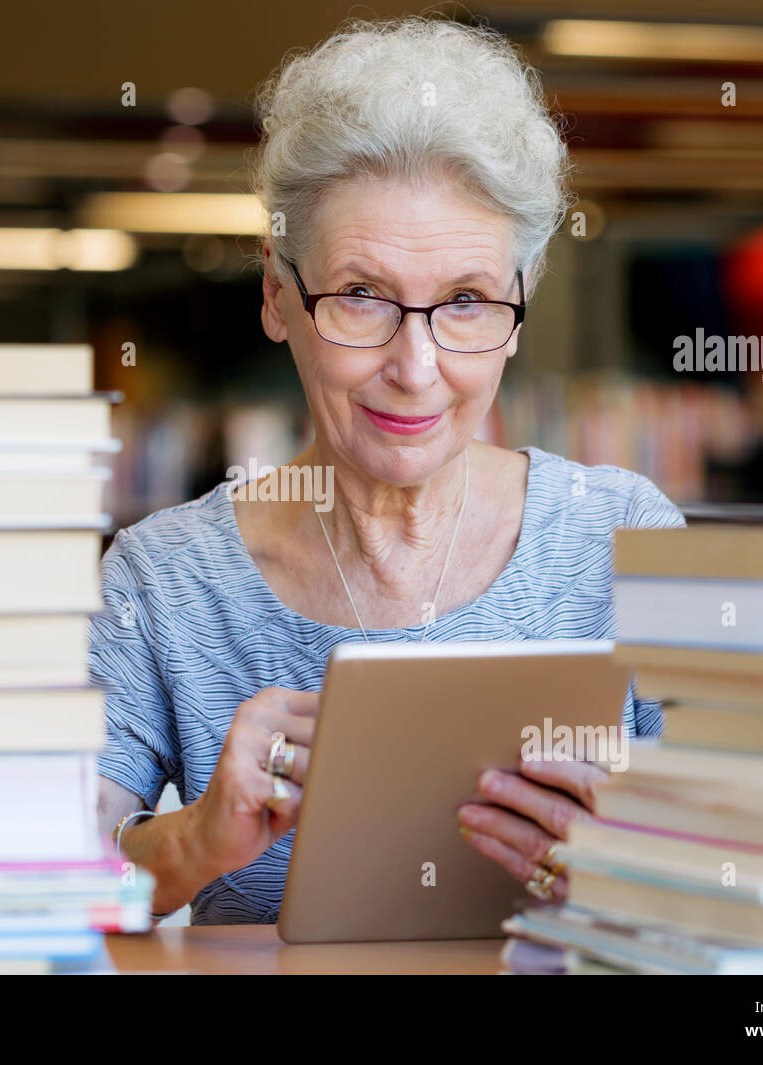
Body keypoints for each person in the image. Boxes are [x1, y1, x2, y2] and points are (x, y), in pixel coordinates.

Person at [92, 16, 684, 924]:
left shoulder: (622, 539)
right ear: (276, 294)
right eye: (362, 295)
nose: (416, 366)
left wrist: (642, 872)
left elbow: (757, 871)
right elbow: (49, 881)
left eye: (466, 301)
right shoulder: (163, 579)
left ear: (519, 307)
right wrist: (192, 839)